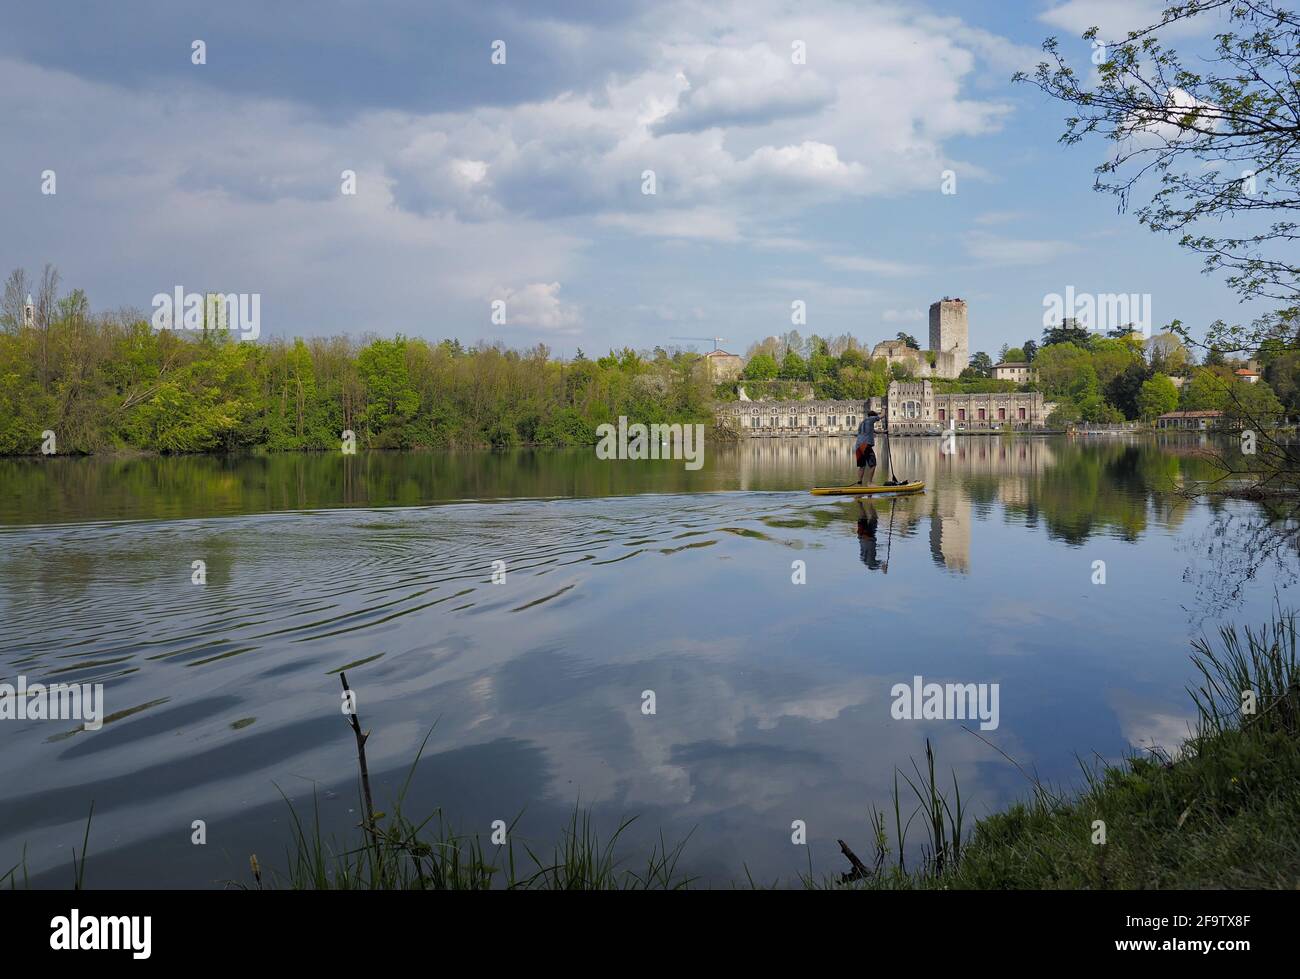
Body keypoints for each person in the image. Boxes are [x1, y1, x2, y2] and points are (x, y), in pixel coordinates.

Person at [854, 409, 886, 485]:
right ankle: (870, 483)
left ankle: (859, 483)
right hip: (865, 445)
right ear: (873, 416)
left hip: (858, 446)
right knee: (873, 465)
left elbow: (873, 431)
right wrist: (884, 408)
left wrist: (884, 431)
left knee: (862, 466)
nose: (876, 420)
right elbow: (882, 415)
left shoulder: (863, 422)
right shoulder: (871, 419)